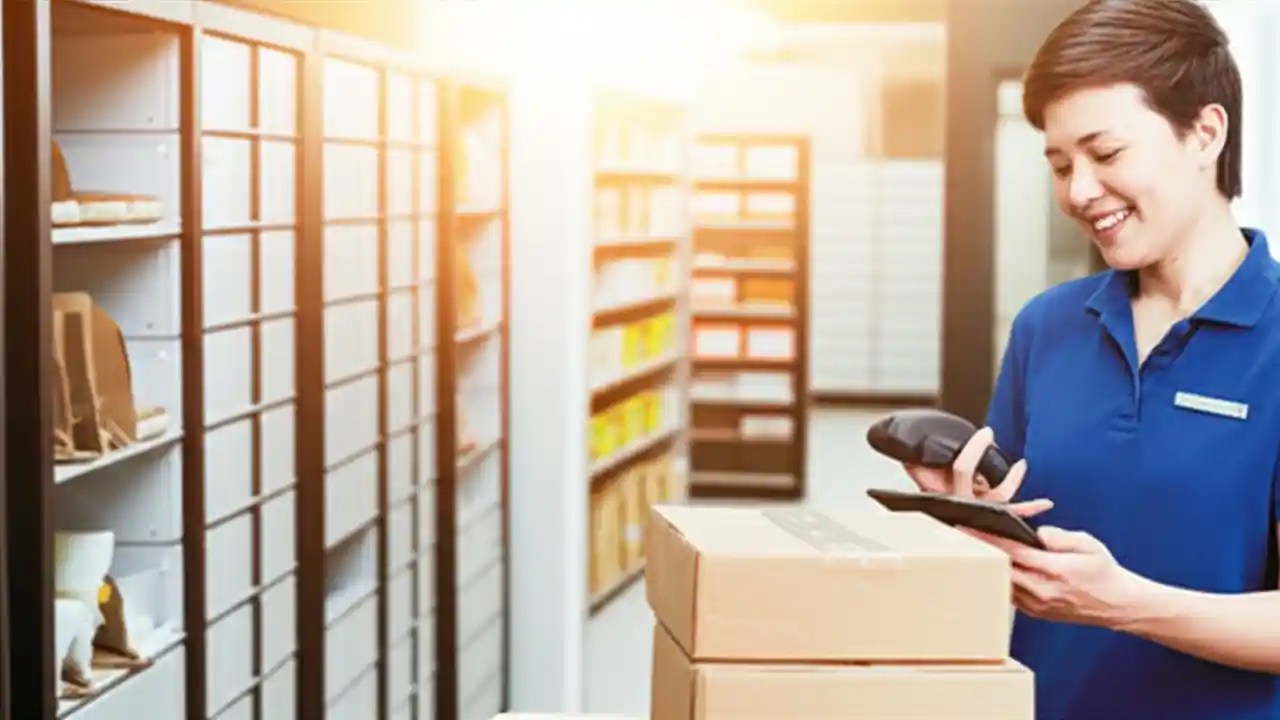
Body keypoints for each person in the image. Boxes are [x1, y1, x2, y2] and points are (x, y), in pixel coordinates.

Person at [902, 1, 1280, 718]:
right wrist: (973, 521)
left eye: (1106, 155)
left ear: (1205, 133)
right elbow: (1024, 561)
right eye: (1059, 165)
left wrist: (1126, 605)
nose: (1078, 192)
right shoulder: (1047, 327)